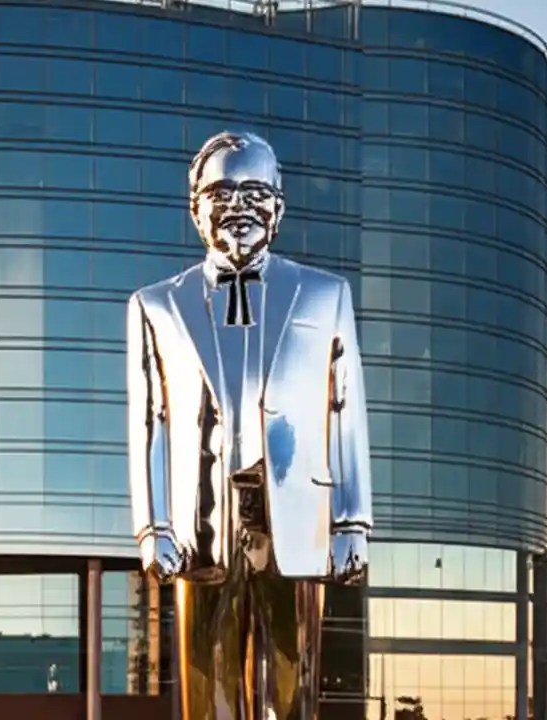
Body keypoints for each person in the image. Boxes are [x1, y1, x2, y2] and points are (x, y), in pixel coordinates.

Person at [126, 131, 372, 720]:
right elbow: (148, 423)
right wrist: (151, 526)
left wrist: (353, 522)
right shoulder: (154, 305)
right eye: (221, 191)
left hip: (295, 514)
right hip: (198, 522)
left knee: (293, 687)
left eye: (255, 191)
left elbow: (346, 411)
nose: (238, 205)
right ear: (195, 207)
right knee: (206, 687)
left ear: (279, 207)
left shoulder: (325, 295)